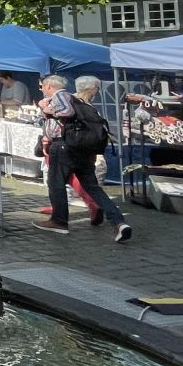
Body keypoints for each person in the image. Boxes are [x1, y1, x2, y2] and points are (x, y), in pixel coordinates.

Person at [33, 74, 131, 242]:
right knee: (93, 188)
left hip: (64, 146)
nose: (42, 89)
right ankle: (118, 222)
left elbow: (66, 111)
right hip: (84, 149)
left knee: (56, 184)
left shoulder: (61, 95)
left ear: (49, 85)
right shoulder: (81, 102)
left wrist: (46, 110)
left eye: (42, 86)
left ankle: (59, 221)